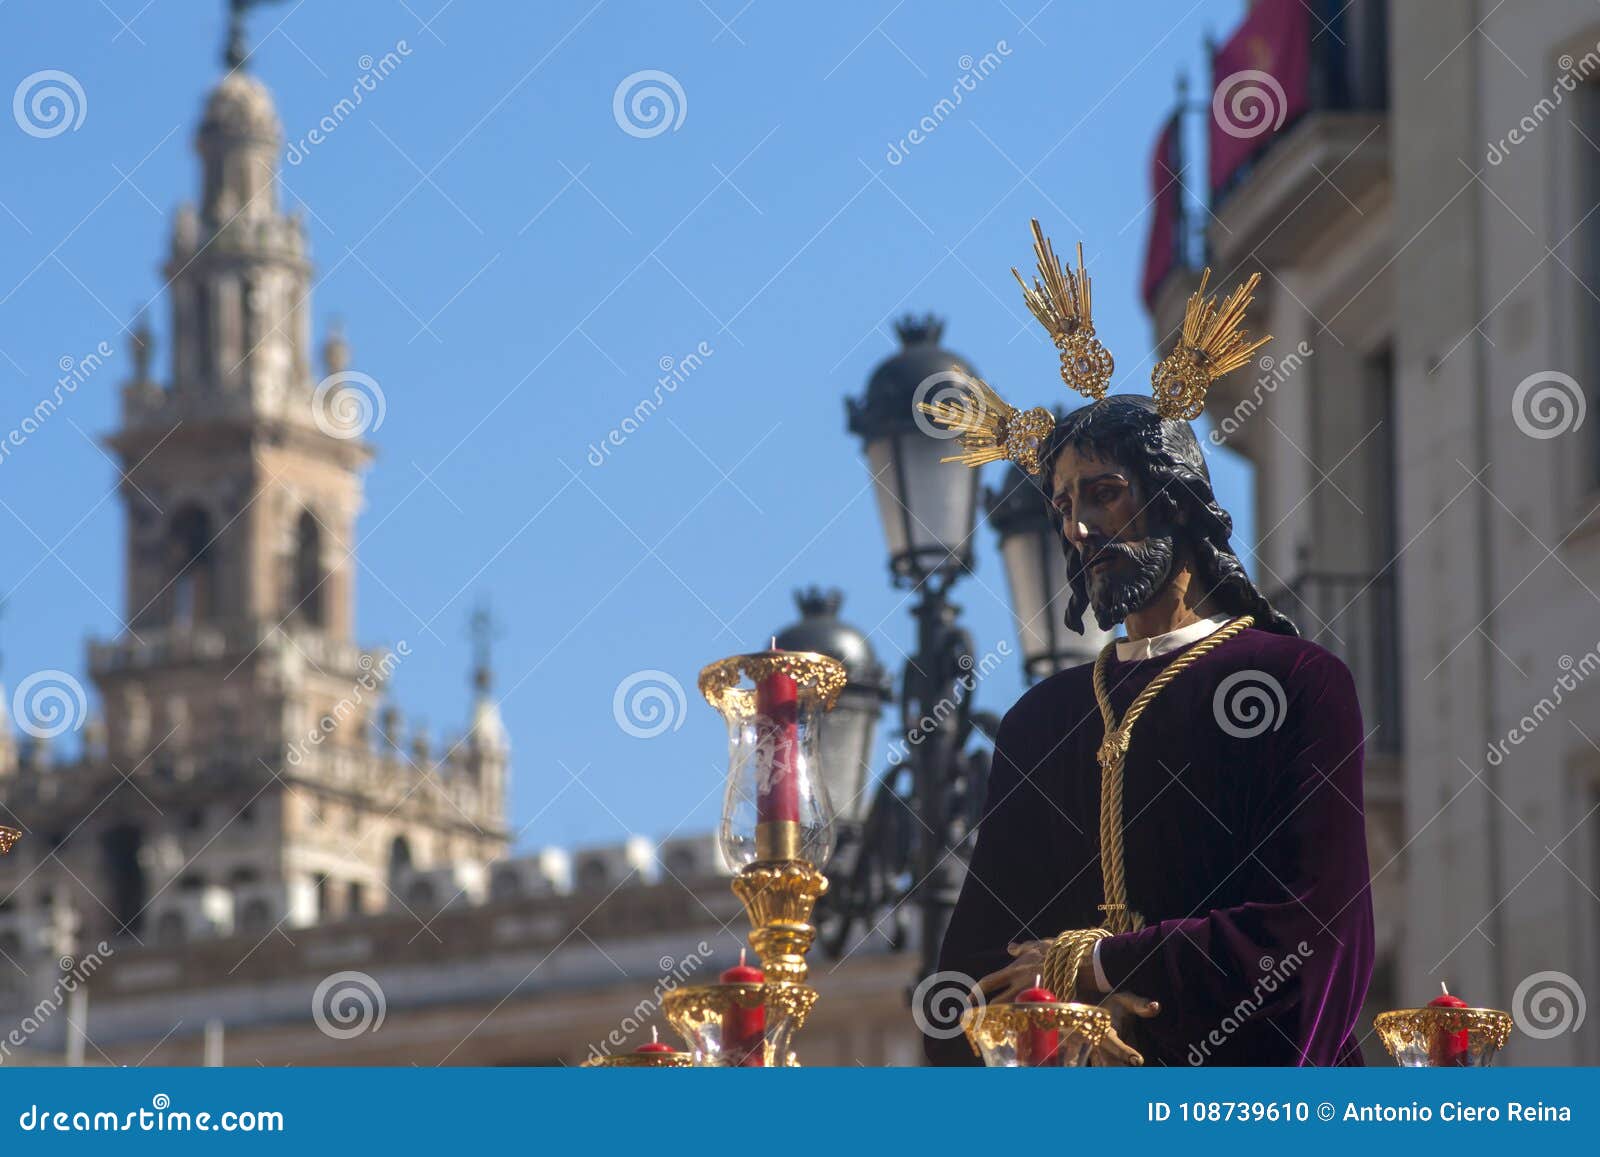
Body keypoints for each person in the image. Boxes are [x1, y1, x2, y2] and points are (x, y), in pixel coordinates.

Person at [918, 223, 1373, 1066]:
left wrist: (1092, 962)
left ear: (1174, 503)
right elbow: (971, 981)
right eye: (1062, 506)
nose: (1081, 525)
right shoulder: (1041, 723)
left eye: (1104, 493)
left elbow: (1309, 936)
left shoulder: (1294, 683)